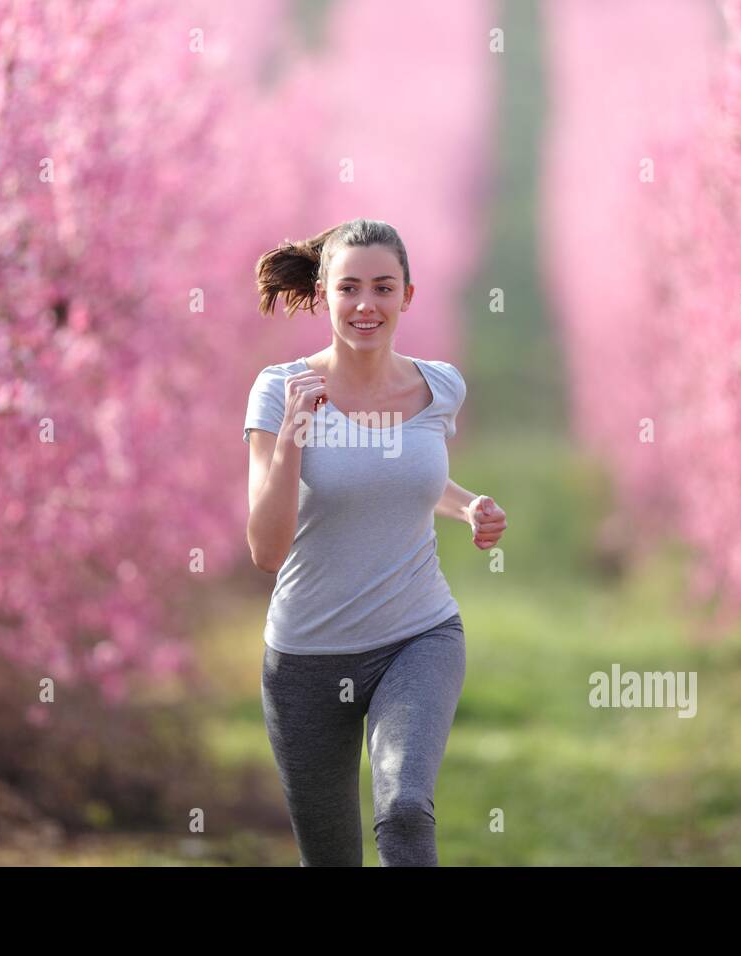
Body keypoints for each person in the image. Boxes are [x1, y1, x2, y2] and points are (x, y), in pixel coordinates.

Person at [243, 217, 508, 866]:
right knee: (332, 858)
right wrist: (297, 439)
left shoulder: (440, 386)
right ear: (324, 295)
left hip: (418, 636)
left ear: (408, 297)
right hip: (308, 654)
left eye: (384, 288)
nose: (367, 305)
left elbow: (402, 477)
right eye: (350, 288)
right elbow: (266, 550)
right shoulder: (281, 393)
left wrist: (467, 504)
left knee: (405, 808)